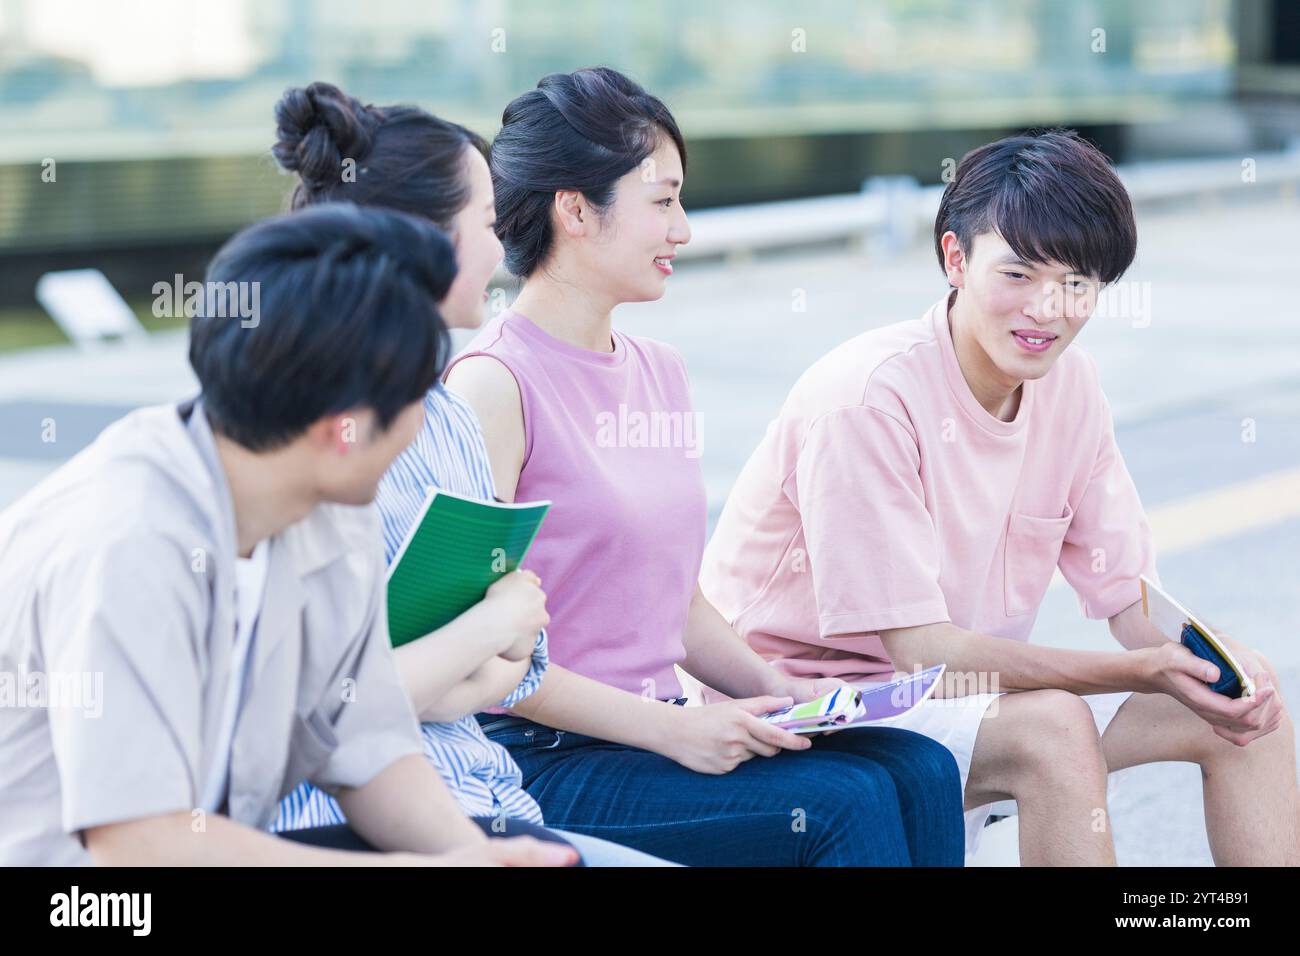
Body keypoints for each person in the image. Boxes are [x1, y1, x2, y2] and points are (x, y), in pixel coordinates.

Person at [699, 129, 1299, 865]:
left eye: (1076, 282)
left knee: (1244, 713)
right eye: (1017, 275)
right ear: (955, 258)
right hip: (803, 715)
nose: (1047, 310)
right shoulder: (867, 399)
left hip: (958, 706)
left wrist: (1224, 665)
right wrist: (1136, 673)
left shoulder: (1070, 388)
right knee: (1051, 728)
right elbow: (925, 655)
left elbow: (1131, 602)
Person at [447, 67, 966, 866]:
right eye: (662, 201)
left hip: (660, 731)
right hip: (544, 757)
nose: (683, 229)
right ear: (576, 209)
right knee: (843, 804)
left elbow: (671, 599)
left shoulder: (659, 370)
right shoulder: (494, 384)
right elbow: (475, 652)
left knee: (921, 766)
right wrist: (679, 729)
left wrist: (779, 689)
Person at [0, 203, 574, 866]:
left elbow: (366, 743)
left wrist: (472, 856)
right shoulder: (130, 540)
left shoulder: (324, 504)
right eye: (420, 400)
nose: (426, 426)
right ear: (344, 431)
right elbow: (140, 841)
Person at [264, 82, 671, 866]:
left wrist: (448, 667)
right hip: (363, 825)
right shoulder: (314, 441)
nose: (501, 249)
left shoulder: (443, 414)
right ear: (417, 241)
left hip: (487, 797)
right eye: (486, 225)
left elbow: (523, 658)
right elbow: (346, 709)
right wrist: (477, 639)